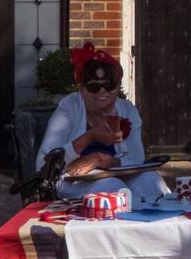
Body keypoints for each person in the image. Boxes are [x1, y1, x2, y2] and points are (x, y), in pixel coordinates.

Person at [36, 43, 168, 205]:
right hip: (71, 181)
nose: (102, 91)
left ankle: (158, 223)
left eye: (109, 84)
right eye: (93, 86)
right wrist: (89, 137)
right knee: (113, 188)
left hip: (116, 175)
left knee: (151, 181)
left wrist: (104, 160)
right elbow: (44, 164)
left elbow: (136, 158)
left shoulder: (127, 110)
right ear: (81, 88)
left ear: (118, 86)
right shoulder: (69, 109)